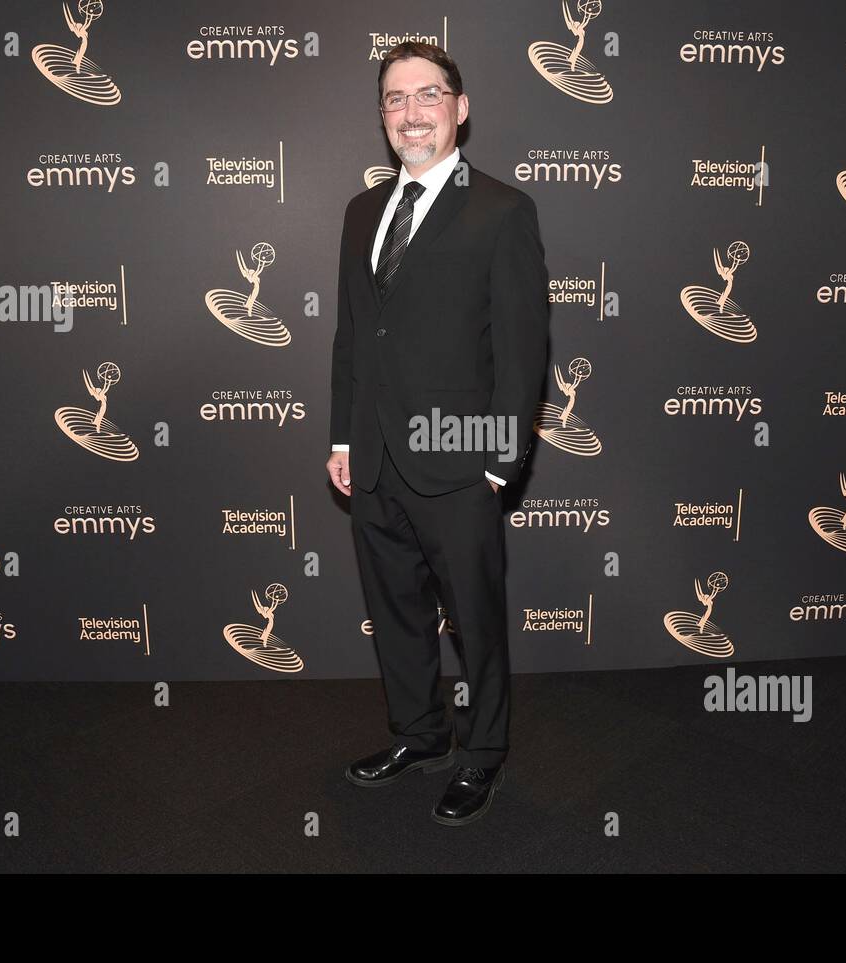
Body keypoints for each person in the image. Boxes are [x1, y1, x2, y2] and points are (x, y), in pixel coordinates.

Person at [326, 42, 549, 826]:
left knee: (477, 620)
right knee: (396, 612)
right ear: (382, 114)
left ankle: (483, 752)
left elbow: (524, 351)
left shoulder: (501, 209)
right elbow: (355, 338)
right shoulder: (362, 211)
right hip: (376, 458)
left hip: (460, 462)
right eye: (394, 98)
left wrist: (499, 463)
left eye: (428, 95)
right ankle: (420, 734)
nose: (411, 112)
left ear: (460, 108)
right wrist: (345, 440)